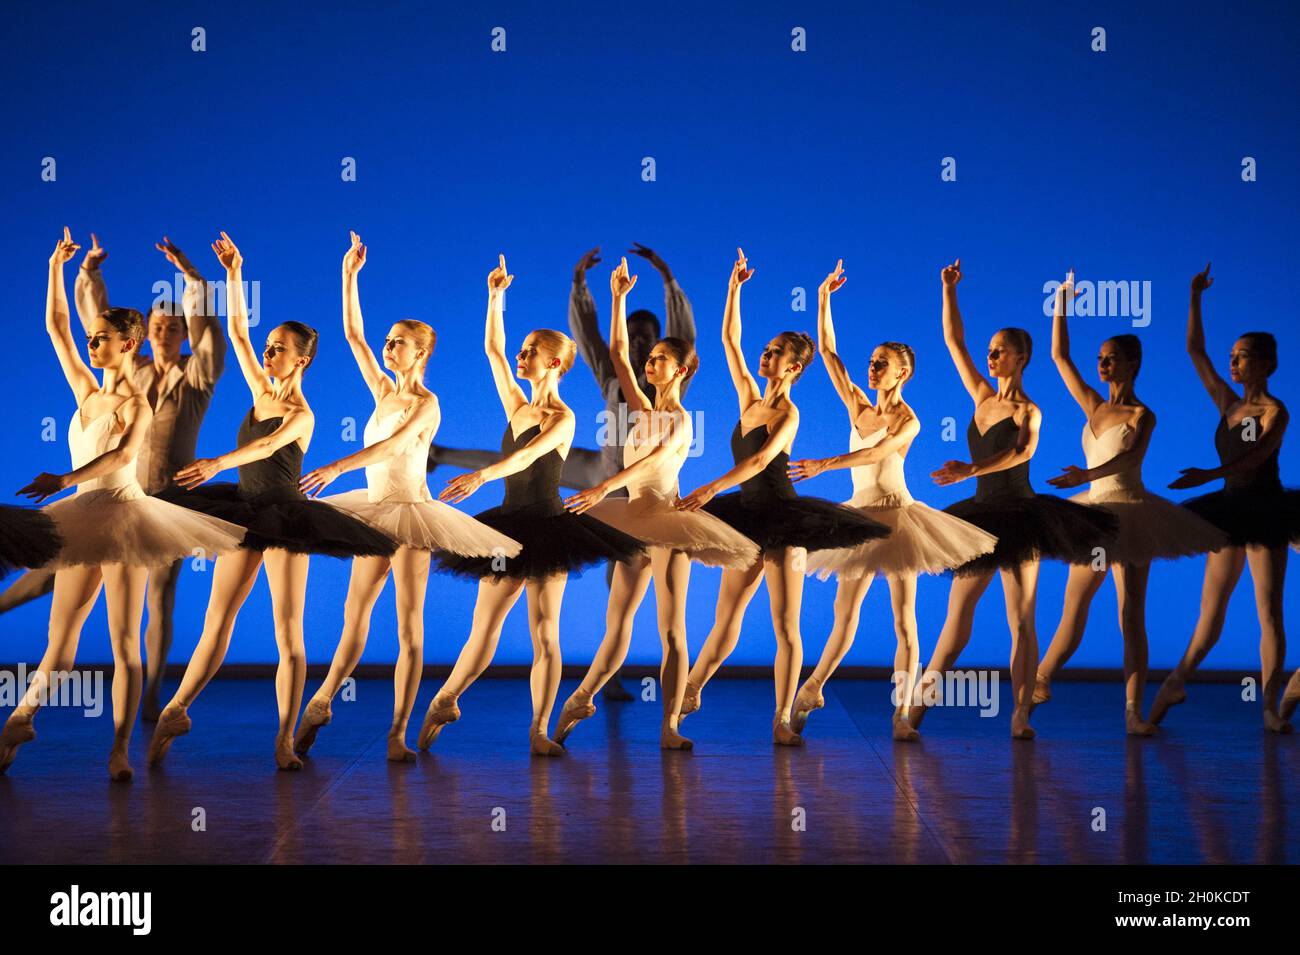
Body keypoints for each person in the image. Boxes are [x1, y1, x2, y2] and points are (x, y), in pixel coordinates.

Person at [146, 232, 397, 771]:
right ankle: (177, 707)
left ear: (302, 360)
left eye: (280, 348)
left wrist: (216, 463)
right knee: (218, 619)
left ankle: (284, 739)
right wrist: (235, 271)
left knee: (289, 630)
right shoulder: (259, 387)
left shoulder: (303, 413)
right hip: (242, 508)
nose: (268, 351)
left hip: (285, 517)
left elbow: (265, 445)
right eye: (271, 345)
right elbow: (236, 330)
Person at [1, 229, 245, 781]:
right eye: (93, 338)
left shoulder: (160, 391)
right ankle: (21, 716)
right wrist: (58, 267)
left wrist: (64, 477)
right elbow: (58, 328)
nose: (92, 343)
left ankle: (119, 749)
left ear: (128, 343)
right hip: (84, 512)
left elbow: (121, 456)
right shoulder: (89, 390)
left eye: (103, 337)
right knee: (58, 641)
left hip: (131, 514)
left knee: (123, 641)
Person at [292, 232, 521, 762]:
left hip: (412, 514)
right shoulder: (383, 390)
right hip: (373, 511)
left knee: (407, 624)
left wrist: (335, 466)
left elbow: (392, 446)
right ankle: (323, 699)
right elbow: (352, 334)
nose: (388, 346)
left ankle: (396, 733)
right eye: (389, 340)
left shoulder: (427, 402)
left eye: (398, 342)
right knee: (355, 615)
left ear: (421, 352)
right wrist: (349, 274)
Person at [419, 255, 645, 755]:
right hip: (507, 528)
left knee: (546, 632)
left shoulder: (563, 419)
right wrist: (495, 297)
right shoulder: (517, 406)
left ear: (556, 363)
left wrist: (482, 473)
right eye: (524, 350)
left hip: (548, 529)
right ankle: (446, 699)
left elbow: (528, 456)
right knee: (485, 630)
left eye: (532, 352)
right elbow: (493, 352)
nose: (521, 357)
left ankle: (539, 730)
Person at [675, 249, 891, 745]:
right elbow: (730, 339)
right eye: (766, 350)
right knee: (725, 616)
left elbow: (757, 463)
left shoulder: (787, 414)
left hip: (784, 518)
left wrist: (710, 487)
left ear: (793, 368)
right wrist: (735, 287)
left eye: (774, 353)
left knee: (784, 623)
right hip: (745, 516)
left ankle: (782, 718)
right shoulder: (749, 397)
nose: (764, 356)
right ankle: (692, 689)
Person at [789, 260, 997, 741]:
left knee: (905, 620)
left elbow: (878, 451)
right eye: (873, 360)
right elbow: (828, 351)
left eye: (883, 362)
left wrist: (824, 464)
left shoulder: (909, 420)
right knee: (846, 615)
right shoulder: (858, 404)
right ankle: (813, 688)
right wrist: (823, 297)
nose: (873, 366)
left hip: (899, 519)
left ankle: (903, 715)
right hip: (858, 517)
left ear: (903, 372)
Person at [910, 259, 1117, 739]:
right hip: (980, 517)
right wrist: (949, 290)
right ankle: (916, 709)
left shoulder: (1030, 409)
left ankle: (1021, 713)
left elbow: (1021, 453)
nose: (991, 356)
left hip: (1023, 515)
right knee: (956, 620)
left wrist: (971, 469)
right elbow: (952, 342)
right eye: (991, 350)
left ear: (1021, 358)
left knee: (1021, 618)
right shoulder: (981, 396)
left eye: (1000, 351)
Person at [556, 258, 758, 749]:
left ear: (683, 369)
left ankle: (669, 726)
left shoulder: (681, 420)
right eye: (652, 359)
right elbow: (619, 355)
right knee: (616, 627)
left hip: (668, 523)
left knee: (672, 630)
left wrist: (604, 488)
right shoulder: (640, 409)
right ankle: (579, 699)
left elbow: (652, 466)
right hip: (633, 521)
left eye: (661, 358)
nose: (651, 363)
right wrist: (619, 294)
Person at [1035, 270, 1227, 734]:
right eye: (1100, 358)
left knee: (1130, 613)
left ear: (1132, 364)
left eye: (1111, 359)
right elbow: (1059, 356)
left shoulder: (1143, 414)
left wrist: (1086, 474)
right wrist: (1061, 301)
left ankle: (1133, 713)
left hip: (1133, 513)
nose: (1102, 365)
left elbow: (1127, 458)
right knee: (1074, 608)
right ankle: (1039, 682)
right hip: (1095, 510)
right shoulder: (1092, 405)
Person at [1149, 264, 1300, 732]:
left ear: (1268, 364)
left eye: (1244, 356)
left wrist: (1208, 474)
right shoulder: (1227, 403)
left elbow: (1257, 457)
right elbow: (1195, 350)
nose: (1234, 363)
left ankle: (1270, 708)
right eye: (1232, 356)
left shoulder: (1276, 410)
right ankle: (1174, 684)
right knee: (1210, 616)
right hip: (1231, 510)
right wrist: (1195, 295)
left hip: (1268, 510)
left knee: (1268, 610)